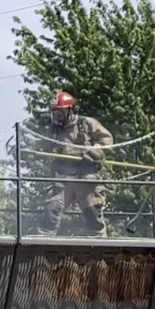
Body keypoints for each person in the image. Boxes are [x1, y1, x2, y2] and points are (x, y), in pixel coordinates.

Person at [38, 90, 114, 237]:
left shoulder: (87, 124)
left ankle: (99, 244)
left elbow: (107, 141)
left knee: (91, 211)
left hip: (86, 177)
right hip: (64, 179)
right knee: (52, 206)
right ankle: (43, 240)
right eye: (55, 113)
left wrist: (92, 153)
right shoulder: (55, 131)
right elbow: (44, 148)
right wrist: (32, 154)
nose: (57, 117)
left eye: (60, 113)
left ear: (71, 110)